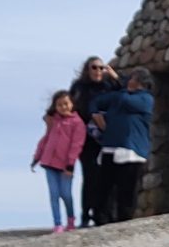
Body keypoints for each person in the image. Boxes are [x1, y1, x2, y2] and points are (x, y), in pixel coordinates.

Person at [88, 68, 154, 225]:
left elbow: (126, 102)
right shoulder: (119, 96)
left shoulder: (146, 99)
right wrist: (98, 118)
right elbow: (95, 103)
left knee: (126, 191)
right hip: (110, 147)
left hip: (132, 151)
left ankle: (124, 222)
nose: (129, 81)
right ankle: (101, 220)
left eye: (131, 79)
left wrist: (120, 83)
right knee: (103, 188)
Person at [69, 55, 119, 227]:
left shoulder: (109, 86)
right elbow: (70, 109)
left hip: (107, 137)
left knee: (108, 176)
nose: (98, 71)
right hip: (86, 139)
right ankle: (85, 214)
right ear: (87, 70)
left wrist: (115, 77)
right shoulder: (79, 88)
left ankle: (104, 215)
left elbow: (125, 94)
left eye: (101, 67)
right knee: (90, 177)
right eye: (94, 67)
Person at [32, 90, 86, 233]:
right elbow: (46, 139)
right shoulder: (53, 121)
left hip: (65, 166)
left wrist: (70, 164)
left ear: (72, 104)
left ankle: (71, 219)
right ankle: (57, 223)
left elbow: (76, 145)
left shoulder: (77, 123)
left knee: (66, 194)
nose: (63, 107)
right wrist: (37, 157)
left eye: (66, 104)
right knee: (54, 194)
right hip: (49, 163)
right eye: (60, 105)